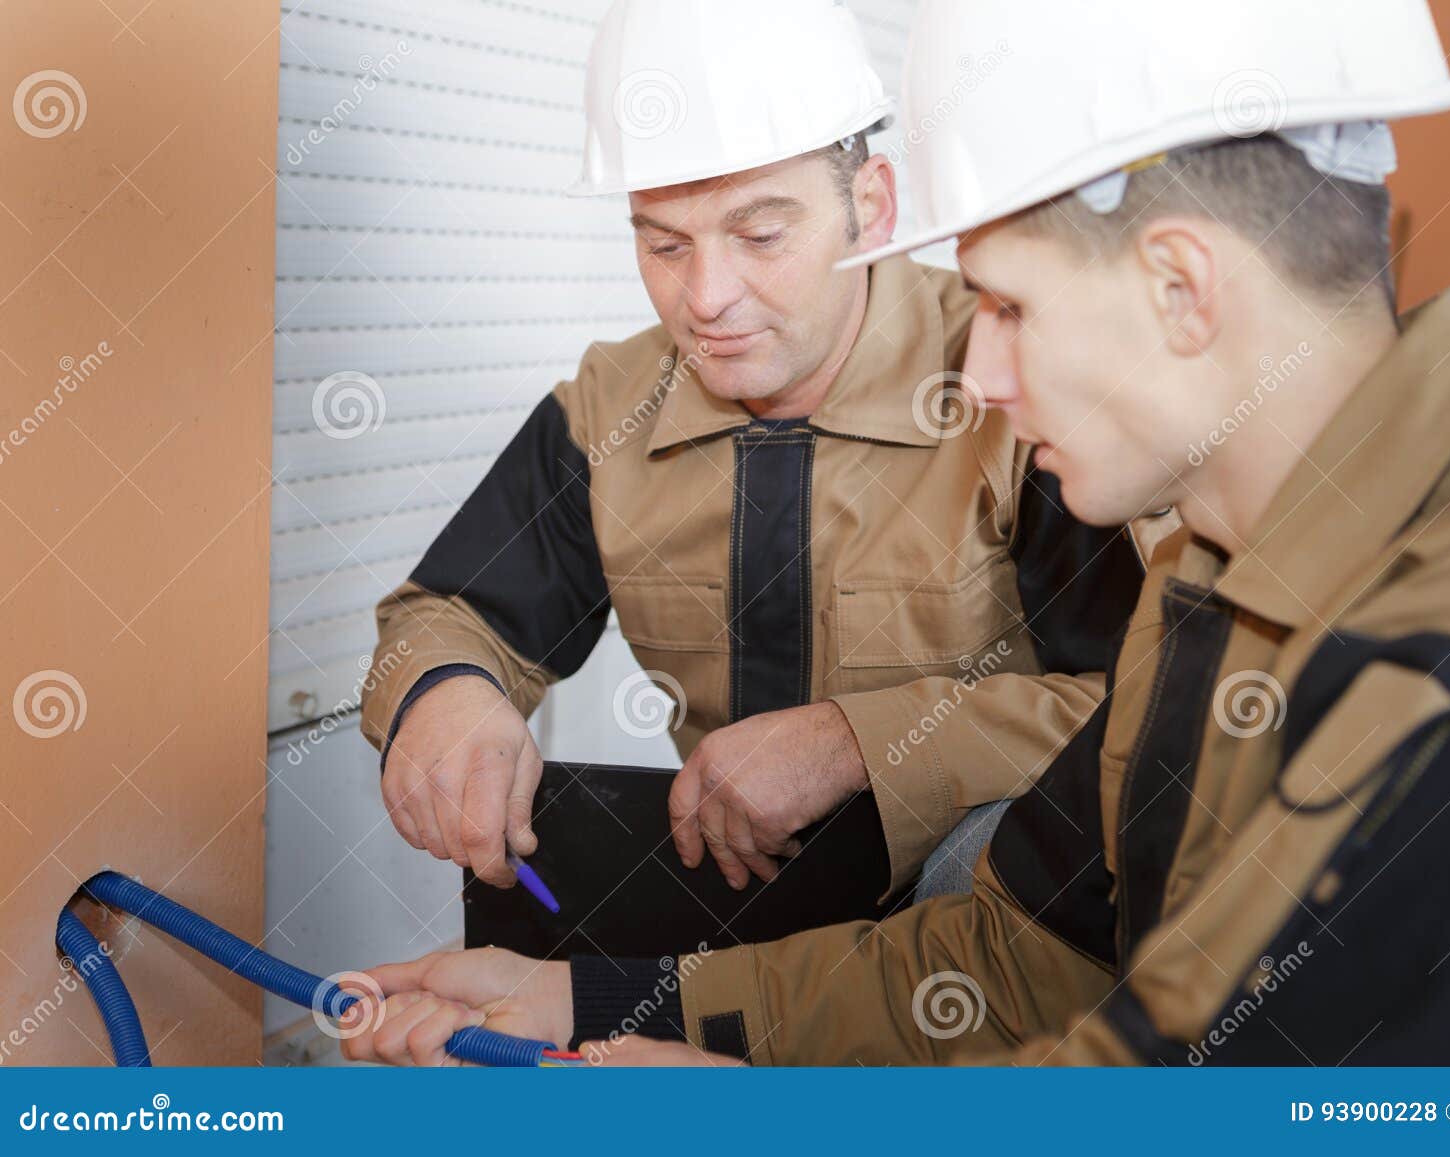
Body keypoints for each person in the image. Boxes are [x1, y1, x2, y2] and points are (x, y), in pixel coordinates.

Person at [343, 0, 1450, 1067]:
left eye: (1005, 302)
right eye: (664, 244)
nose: (980, 373)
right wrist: (590, 1001)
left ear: (1181, 286)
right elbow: (1021, 958)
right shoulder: (1206, 582)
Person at [356, 0, 1145, 962]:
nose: (706, 299)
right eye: (663, 244)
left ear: (875, 207)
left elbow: (1151, 706)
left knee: (983, 872)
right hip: (747, 909)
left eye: (761, 236)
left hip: (992, 933)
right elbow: (453, 610)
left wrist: (860, 740)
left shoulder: (1008, 381)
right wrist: (444, 695)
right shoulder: (607, 410)